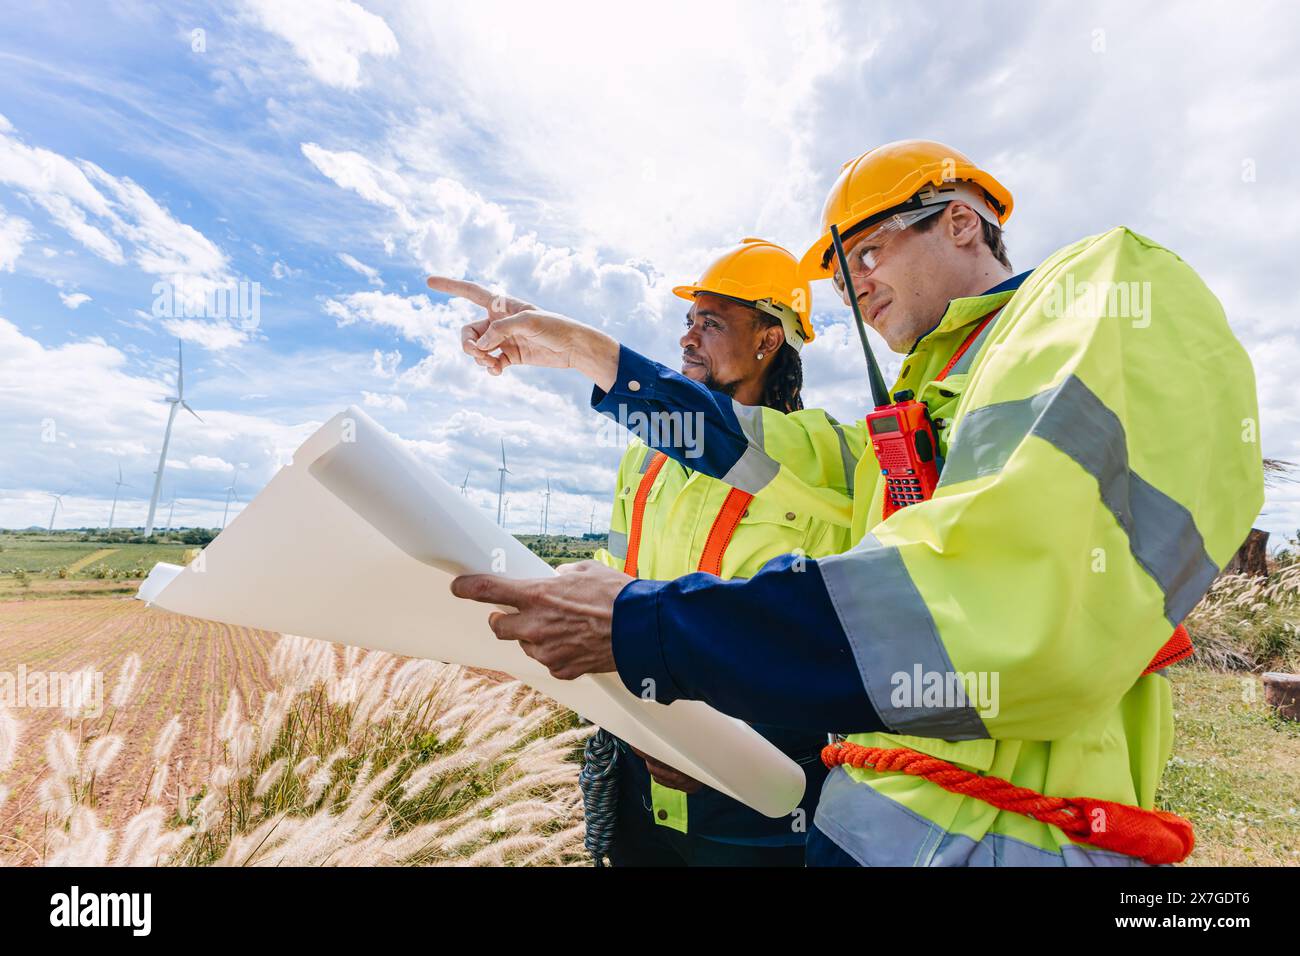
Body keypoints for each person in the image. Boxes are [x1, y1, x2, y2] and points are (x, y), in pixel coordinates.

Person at [429, 139, 1264, 867]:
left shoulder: (1098, 291)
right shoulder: (897, 425)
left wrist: (647, 625)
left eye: (867, 252)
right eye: (842, 274)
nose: (854, 285)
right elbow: (739, 441)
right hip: (867, 833)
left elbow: (1002, 598)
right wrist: (570, 346)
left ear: (962, 222)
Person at [583, 238, 862, 867]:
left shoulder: (824, 457)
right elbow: (616, 580)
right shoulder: (646, 459)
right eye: (689, 322)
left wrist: (711, 742)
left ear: (769, 339)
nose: (687, 339)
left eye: (711, 324)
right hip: (639, 776)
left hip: (762, 798)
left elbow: (820, 638)